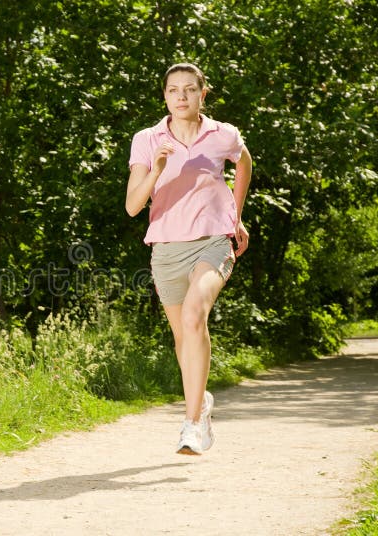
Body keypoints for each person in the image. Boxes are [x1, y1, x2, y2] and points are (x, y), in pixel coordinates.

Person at [125, 63, 252, 455]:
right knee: (184, 337)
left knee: (196, 315)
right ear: (164, 96)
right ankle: (203, 405)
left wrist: (236, 214)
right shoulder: (148, 139)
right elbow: (132, 206)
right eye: (172, 90)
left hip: (213, 240)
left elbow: (244, 162)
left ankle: (192, 423)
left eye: (189, 89)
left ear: (202, 94)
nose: (180, 96)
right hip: (165, 247)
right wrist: (157, 169)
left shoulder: (222, 134)